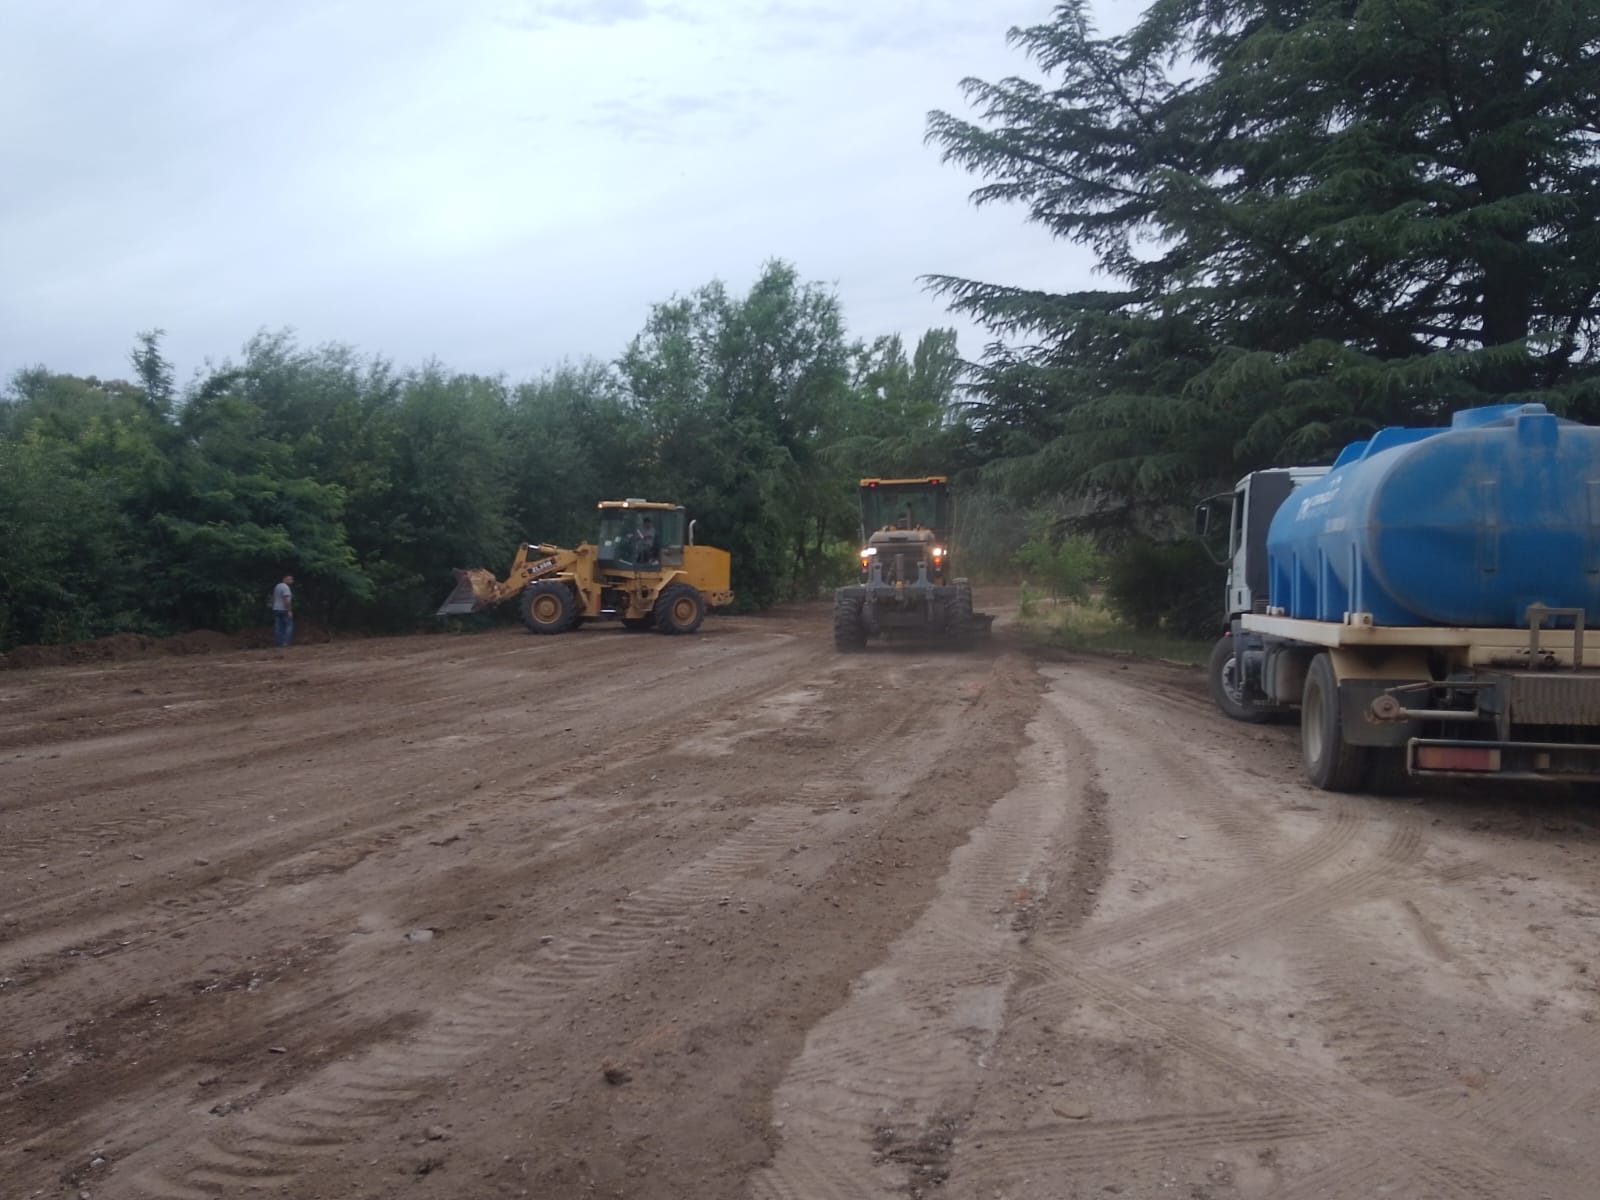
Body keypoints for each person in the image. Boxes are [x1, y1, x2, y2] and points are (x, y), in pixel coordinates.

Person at [271, 574, 294, 648]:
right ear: (284, 579)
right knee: (288, 626)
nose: (291, 581)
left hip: (276, 608)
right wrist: (289, 610)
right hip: (284, 609)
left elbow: (274, 598)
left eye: (291, 579)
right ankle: (285, 643)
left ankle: (278, 643)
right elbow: (286, 600)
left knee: (278, 627)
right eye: (289, 579)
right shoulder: (286, 587)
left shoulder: (277, 586)